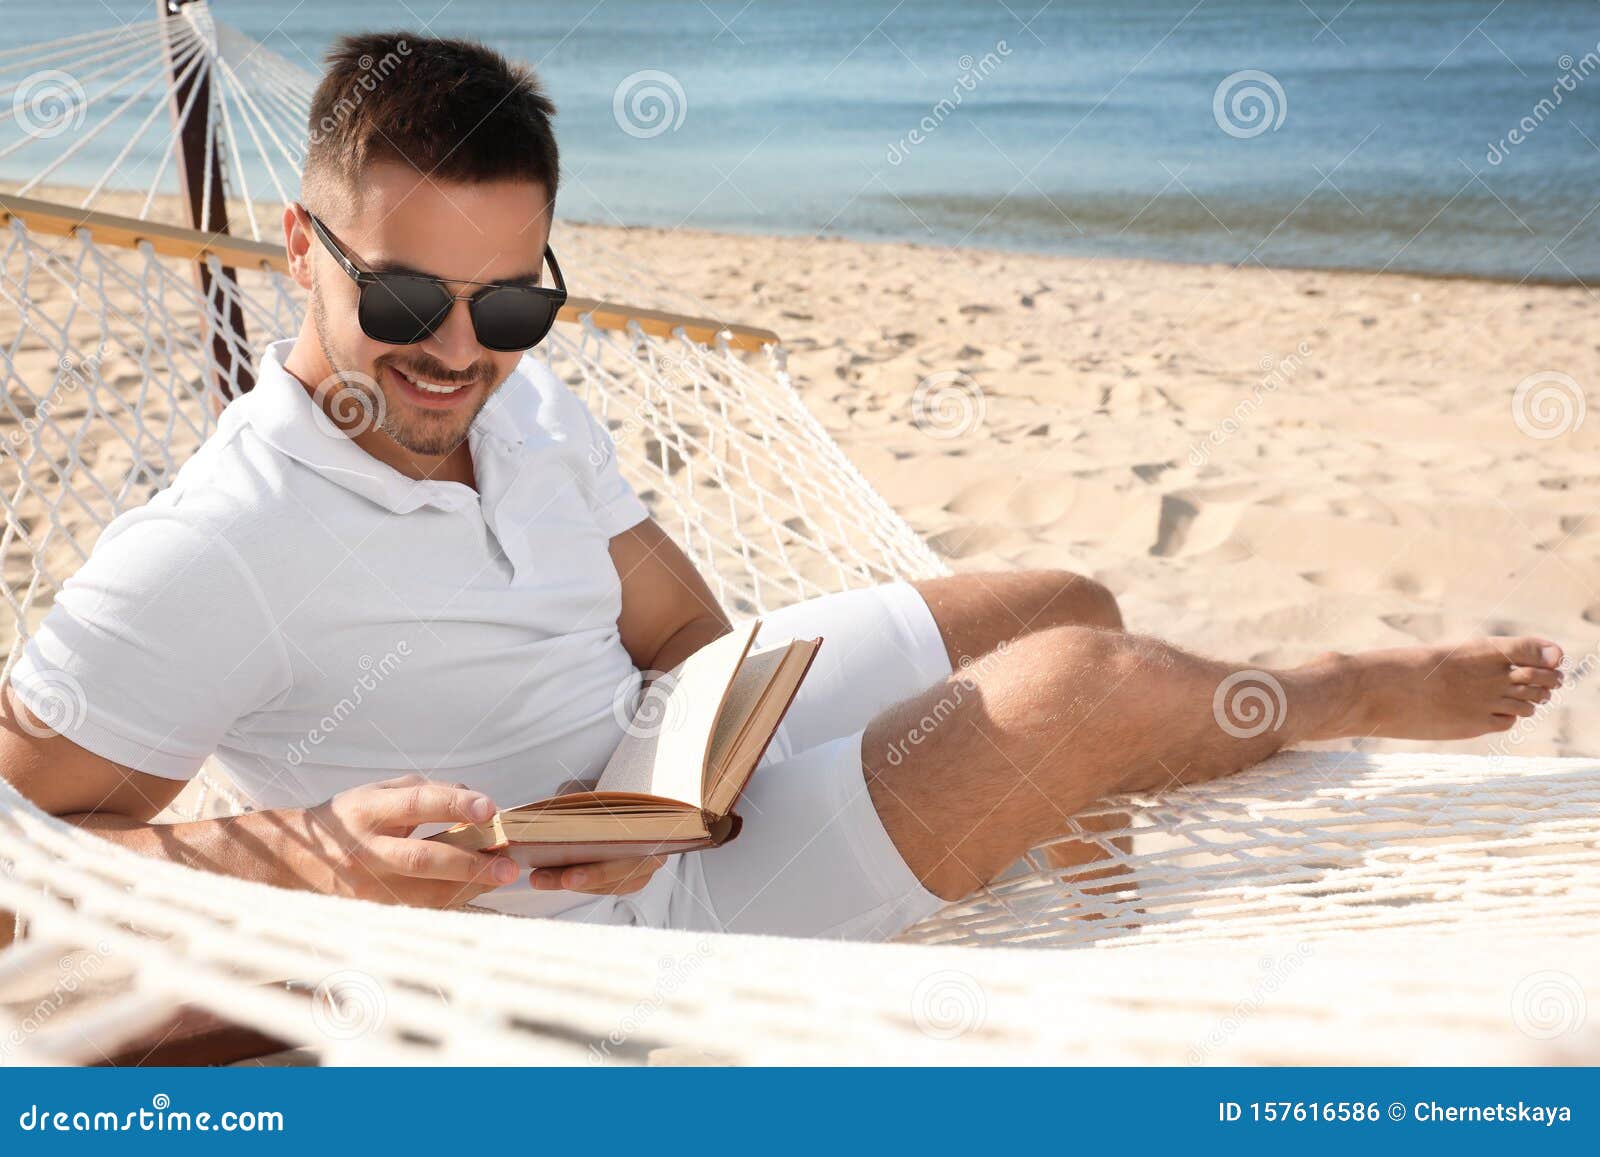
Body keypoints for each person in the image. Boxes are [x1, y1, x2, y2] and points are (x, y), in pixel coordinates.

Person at [0, 34, 1563, 942]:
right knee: (1087, 680)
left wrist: (718, 766)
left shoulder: (525, 404)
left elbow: (683, 627)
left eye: (513, 303)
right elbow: (22, 872)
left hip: (670, 785)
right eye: (406, 303)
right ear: (300, 247)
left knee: (1060, 600)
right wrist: (321, 850)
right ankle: (1342, 689)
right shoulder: (218, 549)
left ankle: (1076, 873)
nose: (458, 352)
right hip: (600, 926)